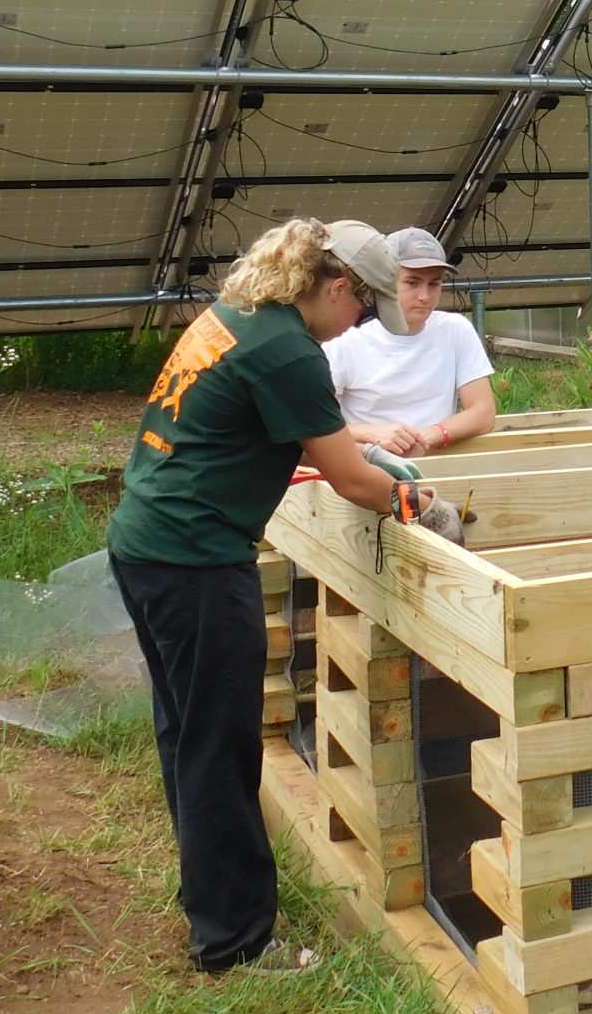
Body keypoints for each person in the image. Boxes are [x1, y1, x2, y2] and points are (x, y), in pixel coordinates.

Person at [106, 219, 457, 975]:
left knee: (186, 732)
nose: (357, 327)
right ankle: (235, 943)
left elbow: (303, 438)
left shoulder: (241, 315)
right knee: (219, 746)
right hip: (197, 562)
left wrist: (371, 457)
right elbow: (352, 479)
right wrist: (418, 504)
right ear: (336, 287)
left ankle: (209, 896)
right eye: (361, 310)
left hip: (145, 544)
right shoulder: (289, 352)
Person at [324, 227, 497, 457]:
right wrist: (373, 434)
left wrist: (430, 436)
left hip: (437, 461)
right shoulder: (346, 336)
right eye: (412, 283)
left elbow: (483, 412)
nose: (424, 296)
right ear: (385, 281)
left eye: (434, 284)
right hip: (369, 463)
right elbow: (315, 424)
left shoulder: (455, 329)